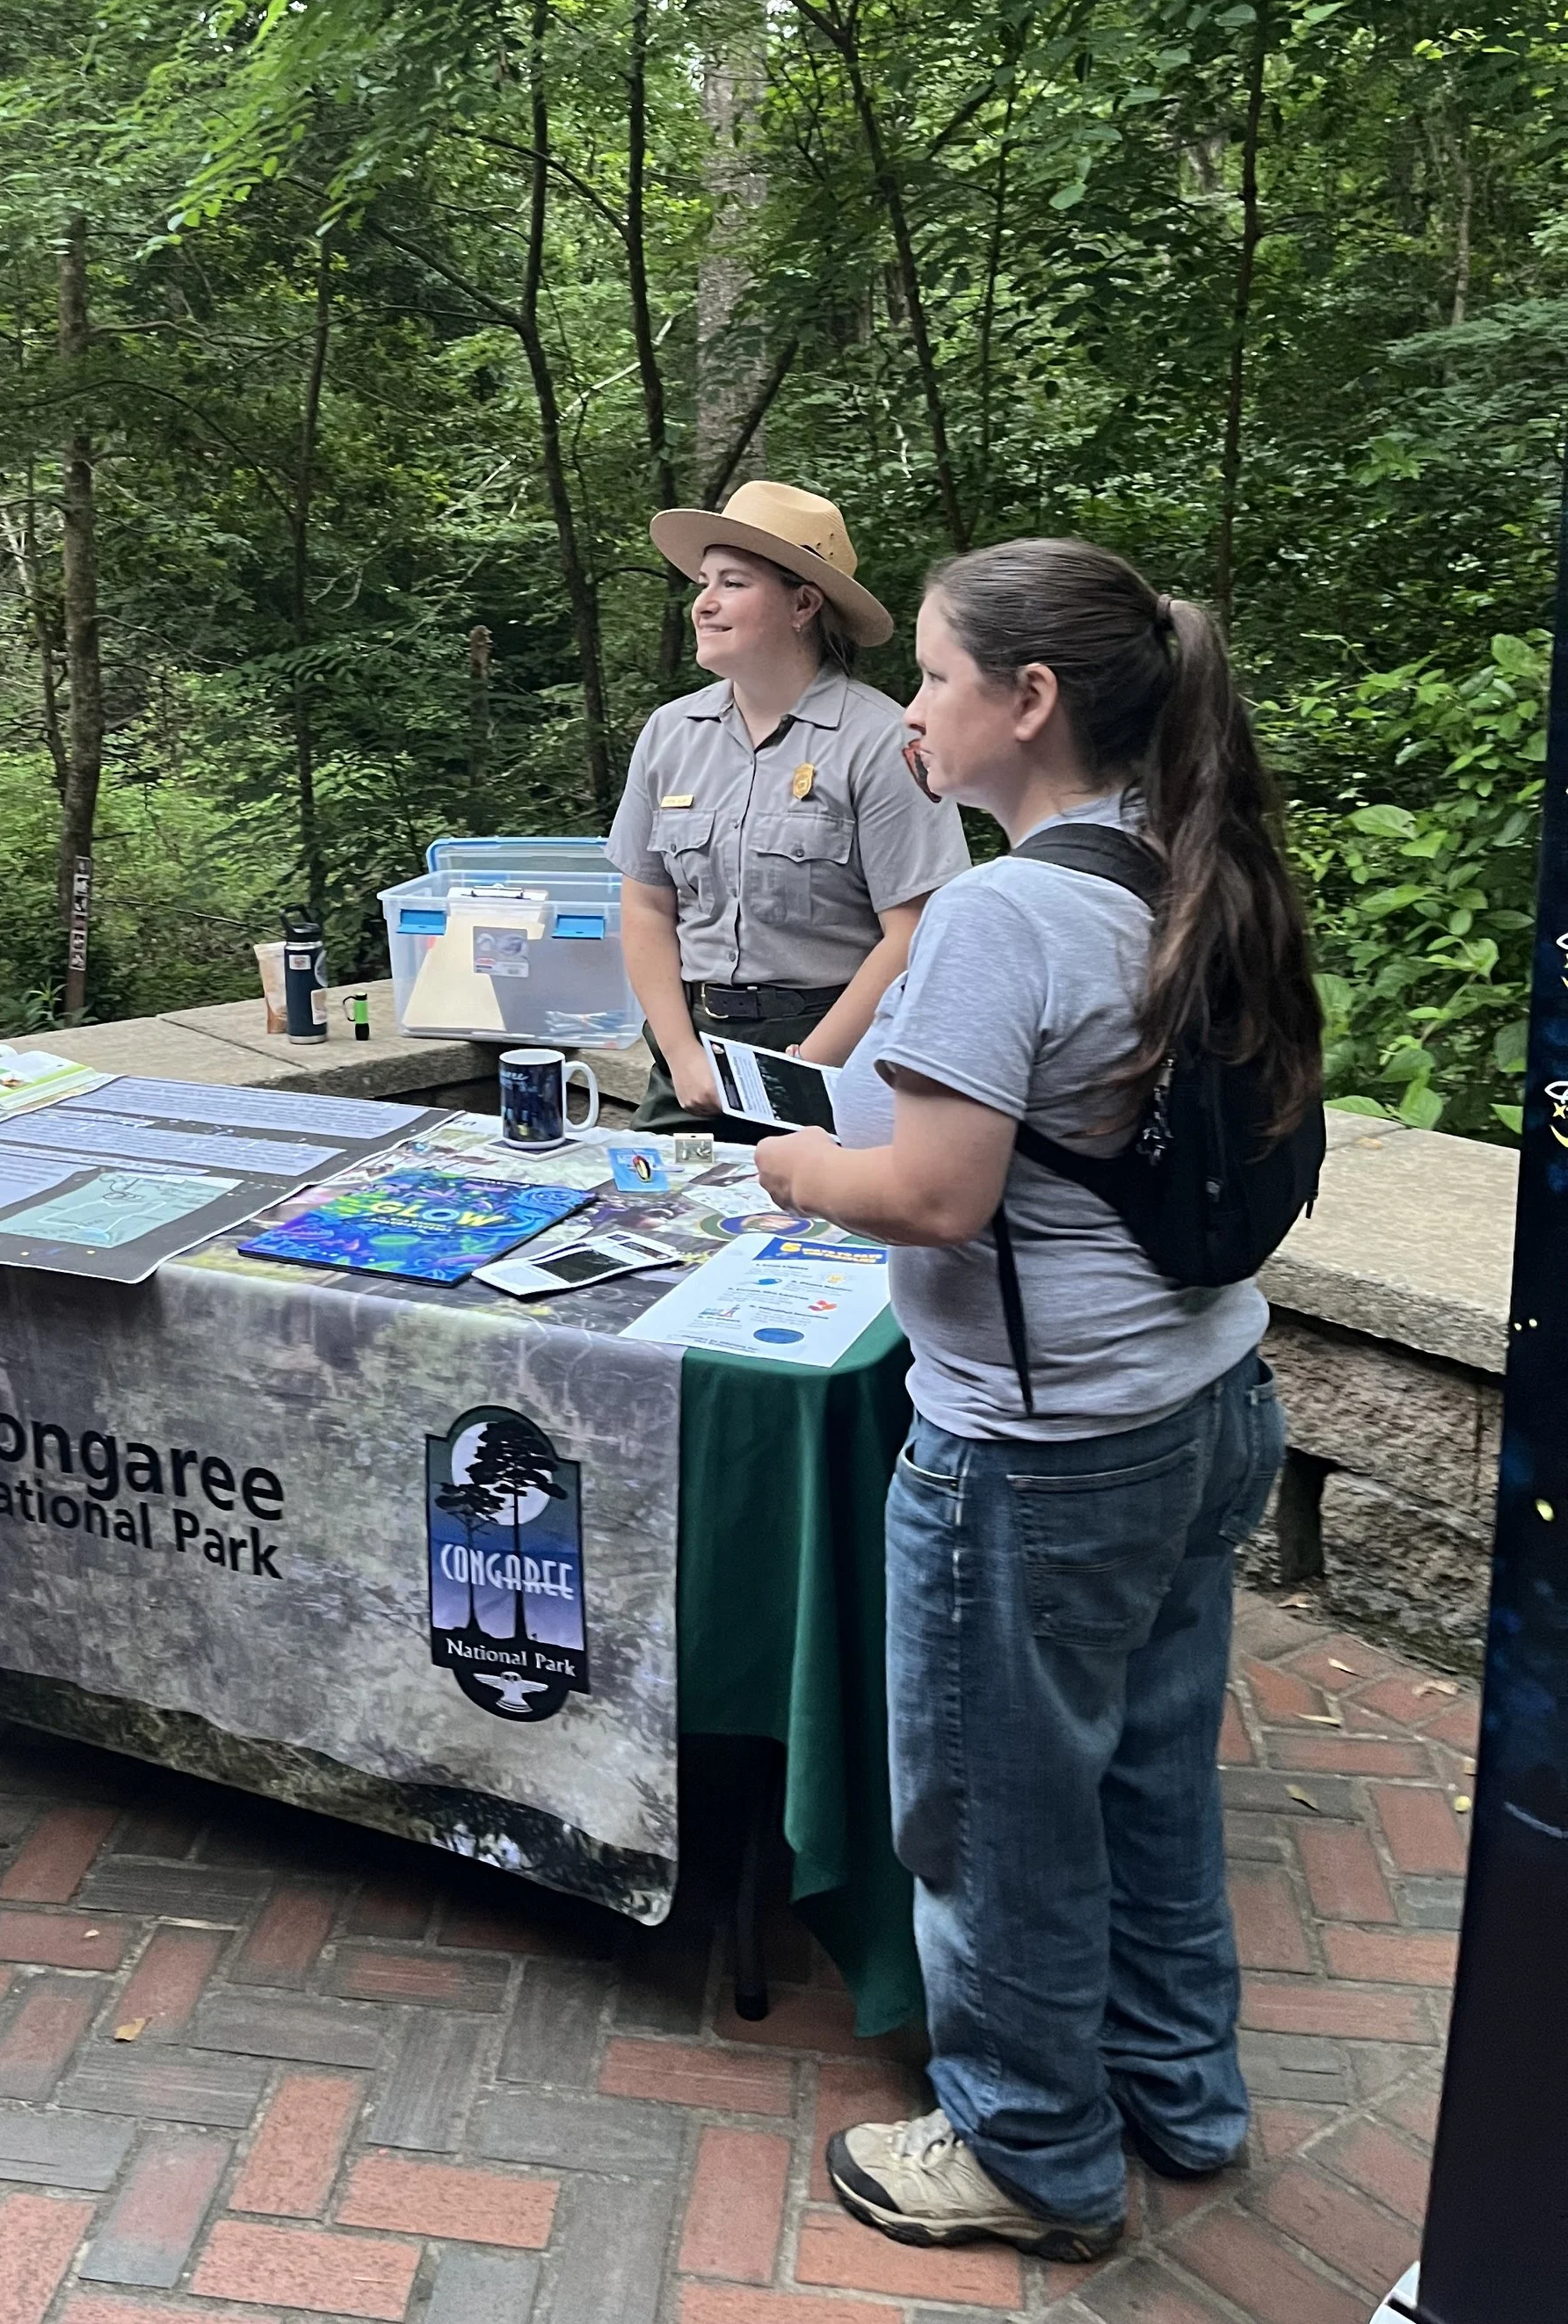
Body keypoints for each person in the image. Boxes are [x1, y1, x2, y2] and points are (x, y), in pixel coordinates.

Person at [756, 538, 1313, 2263]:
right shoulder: (1181, 872)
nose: (908, 709)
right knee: (1148, 1773)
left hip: (1039, 1454)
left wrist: (791, 1164)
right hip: (1203, 1407)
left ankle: (1026, 2149)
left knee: (995, 1808)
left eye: (926, 675)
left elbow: (930, 1191)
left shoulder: (1003, 911)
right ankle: (1177, 2089)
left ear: (1027, 698)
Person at [607, 481, 969, 1135]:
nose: (704, 604)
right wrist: (684, 1053)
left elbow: (913, 932)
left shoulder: (882, 740)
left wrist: (809, 1065)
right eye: (704, 582)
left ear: (803, 602)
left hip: (835, 1053)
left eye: (733, 584)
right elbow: (645, 906)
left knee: (819, 1236)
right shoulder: (670, 732)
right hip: (692, 1050)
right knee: (657, 1225)